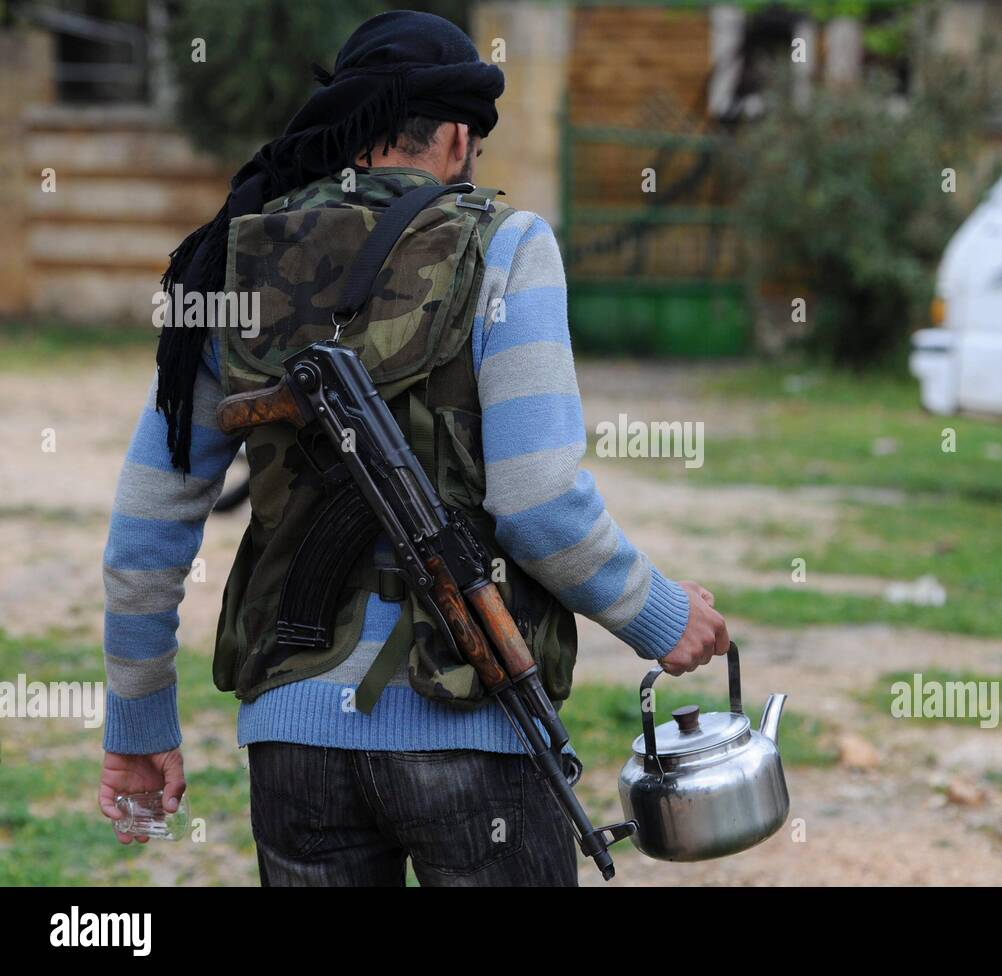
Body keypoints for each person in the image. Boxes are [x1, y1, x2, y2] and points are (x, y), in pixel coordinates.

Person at [98, 10, 730, 887]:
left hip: (296, 744)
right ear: (460, 138)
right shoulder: (505, 245)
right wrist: (661, 615)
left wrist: (139, 726)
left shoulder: (238, 258)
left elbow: (145, 530)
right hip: (474, 729)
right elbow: (541, 502)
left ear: (350, 134)